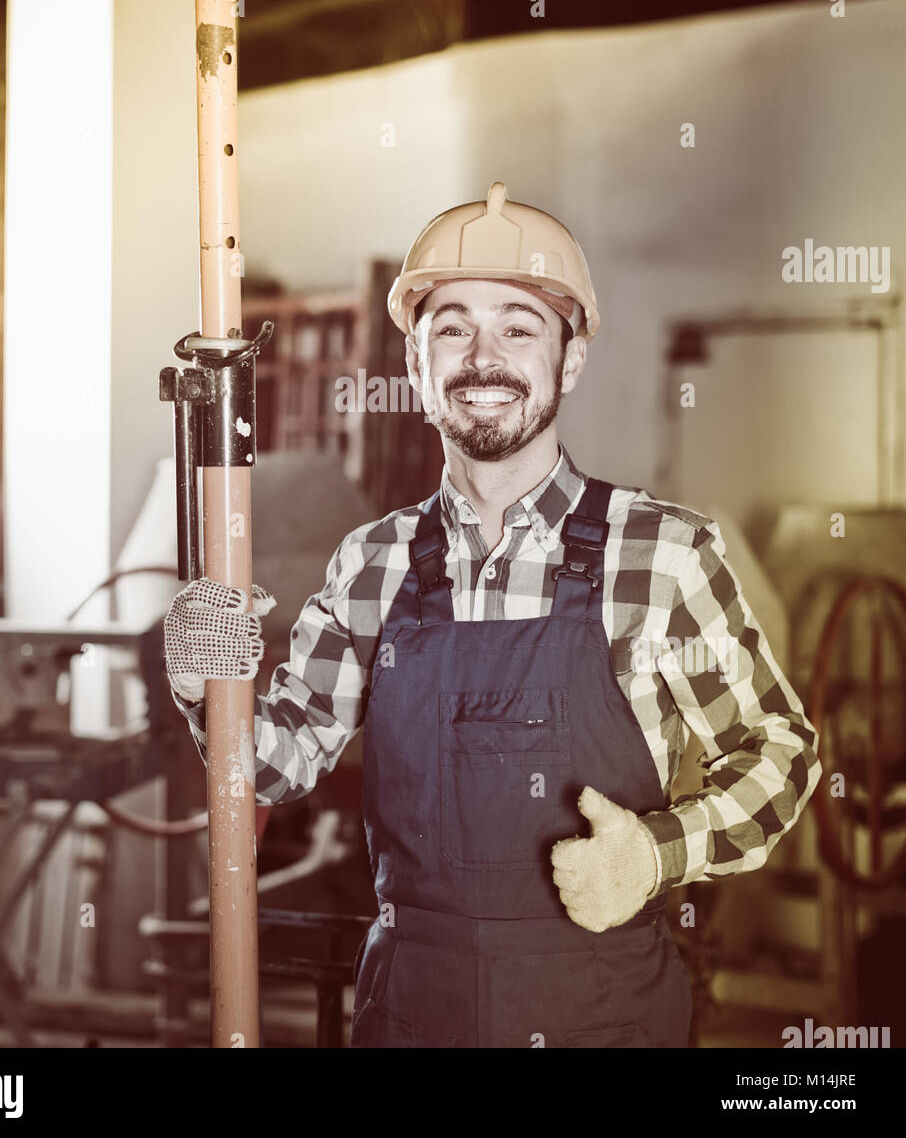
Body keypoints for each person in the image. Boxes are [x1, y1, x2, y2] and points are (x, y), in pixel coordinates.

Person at [164, 182, 820, 1048]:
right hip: (410, 1013)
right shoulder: (374, 563)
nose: (484, 357)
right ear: (416, 363)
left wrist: (659, 852)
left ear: (569, 360)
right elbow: (269, 769)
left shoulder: (661, 555)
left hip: (602, 1016)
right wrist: (209, 684)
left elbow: (780, 753)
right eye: (451, 326)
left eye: (518, 325)